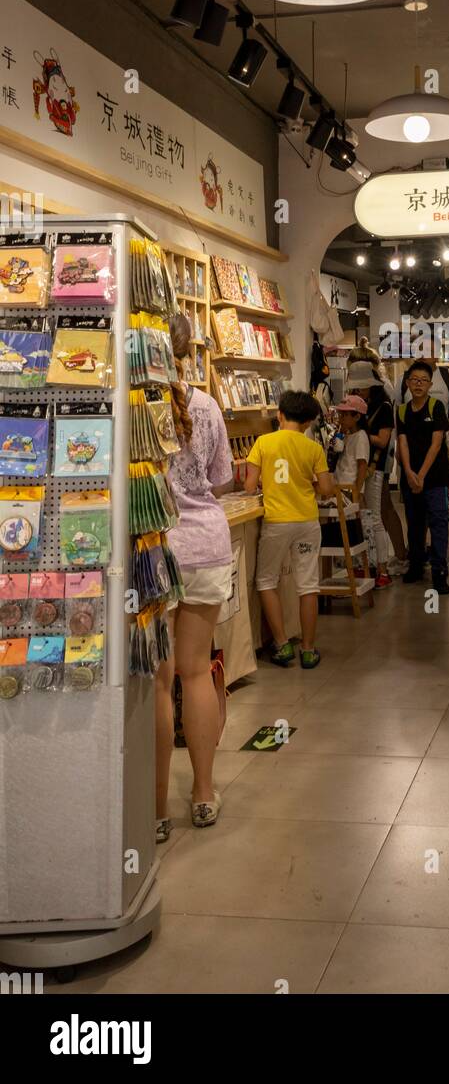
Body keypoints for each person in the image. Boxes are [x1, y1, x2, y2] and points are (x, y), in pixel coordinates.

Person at [155, 314, 235, 842]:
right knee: (196, 671)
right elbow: (222, 479)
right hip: (206, 546)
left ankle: (154, 807)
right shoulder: (205, 404)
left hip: (151, 551)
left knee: (156, 680)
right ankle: (203, 793)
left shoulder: (135, 405)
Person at [245, 390, 335, 672]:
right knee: (308, 585)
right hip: (307, 522)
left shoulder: (263, 442)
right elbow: (326, 489)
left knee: (266, 580)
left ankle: (282, 644)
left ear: (280, 415)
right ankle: (308, 650)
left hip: (276, 522)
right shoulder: (313, 449)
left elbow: (249, 487)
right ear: (308, 422)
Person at [344, 362, 402, 587]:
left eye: (361, 387)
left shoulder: (384, 405)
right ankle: (368, 565)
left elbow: (384, 440)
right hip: (363, 466)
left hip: (375, 467)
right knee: (364, 517)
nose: (358, 391)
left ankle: (383, 569)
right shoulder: (365, 403)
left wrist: (359, 434)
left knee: (375, 517)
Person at [396, 359, 449, 595]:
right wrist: (408, 473)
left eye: (423, 380)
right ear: (407, 383)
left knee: (438, 524)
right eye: (414, 380)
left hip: (434, 477)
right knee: (415, 524)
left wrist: (421, 475)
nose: (418, 384)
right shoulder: (401, 411)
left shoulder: (436, 407)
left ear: (430, 384)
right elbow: (402, 443)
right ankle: (416, 565)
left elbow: (437, 444)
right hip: (410, 478)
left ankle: (439, 571)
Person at [331, 394, 370, 503]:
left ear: (357, 417)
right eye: (340, 414)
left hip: (350, 488)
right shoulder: (348, 435)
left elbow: (362, 466)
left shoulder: (361, 436)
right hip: (341, 485)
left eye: (345, 415)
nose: (341, 418)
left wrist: (356, 492)